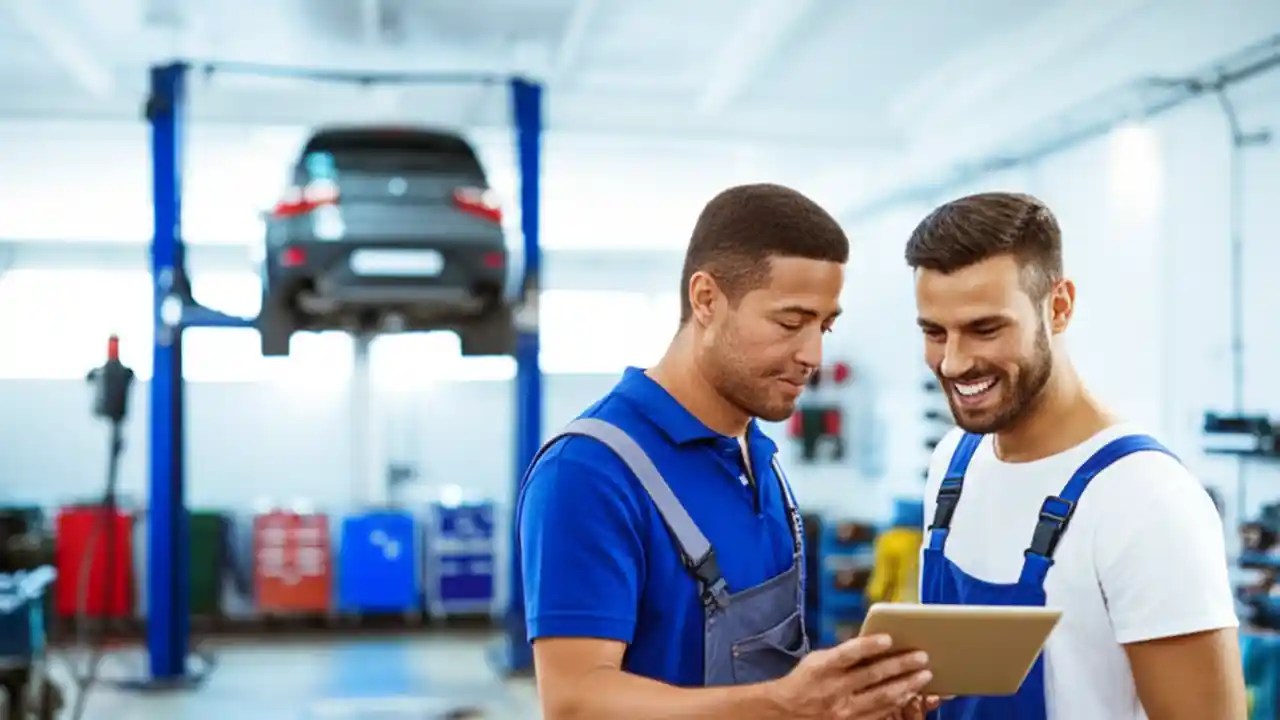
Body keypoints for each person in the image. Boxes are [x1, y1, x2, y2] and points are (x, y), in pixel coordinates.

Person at [518, 183, 938, 719]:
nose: (812, 354)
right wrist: (783, 706)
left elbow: (775, 680)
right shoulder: (588, 473)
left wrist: (851, 701)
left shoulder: (759, 458)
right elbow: (575, 702)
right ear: (707, 299)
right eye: (790, 323)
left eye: (824, 326)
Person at [906, 191, 1248, 719]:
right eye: (934, 332)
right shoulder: (954, 464)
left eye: (985, 329)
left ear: (1059, 307)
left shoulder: (1145, 499)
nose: (953, 363)